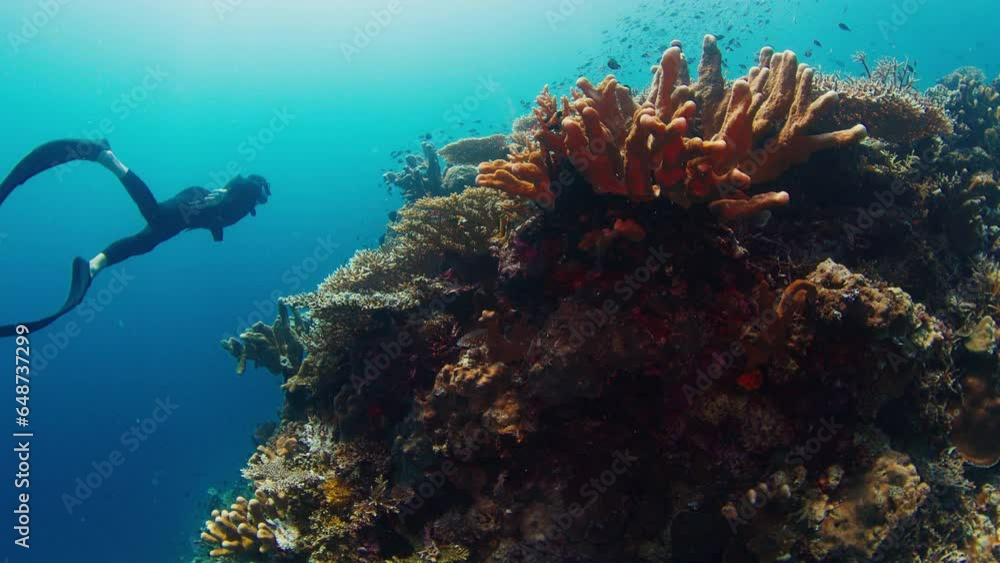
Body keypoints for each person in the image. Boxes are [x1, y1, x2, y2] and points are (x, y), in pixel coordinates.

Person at [0, 139, 270, 336]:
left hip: (193, 217)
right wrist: (224, 193)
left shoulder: (247, 209)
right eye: (263, 194)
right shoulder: (247, 194)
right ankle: (108, 159)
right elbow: (241, 183)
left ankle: (94, 265)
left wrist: (215, 227)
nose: (263, 198)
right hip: (195, 200)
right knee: (155, 216)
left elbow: (225, 213)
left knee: (146, 243)